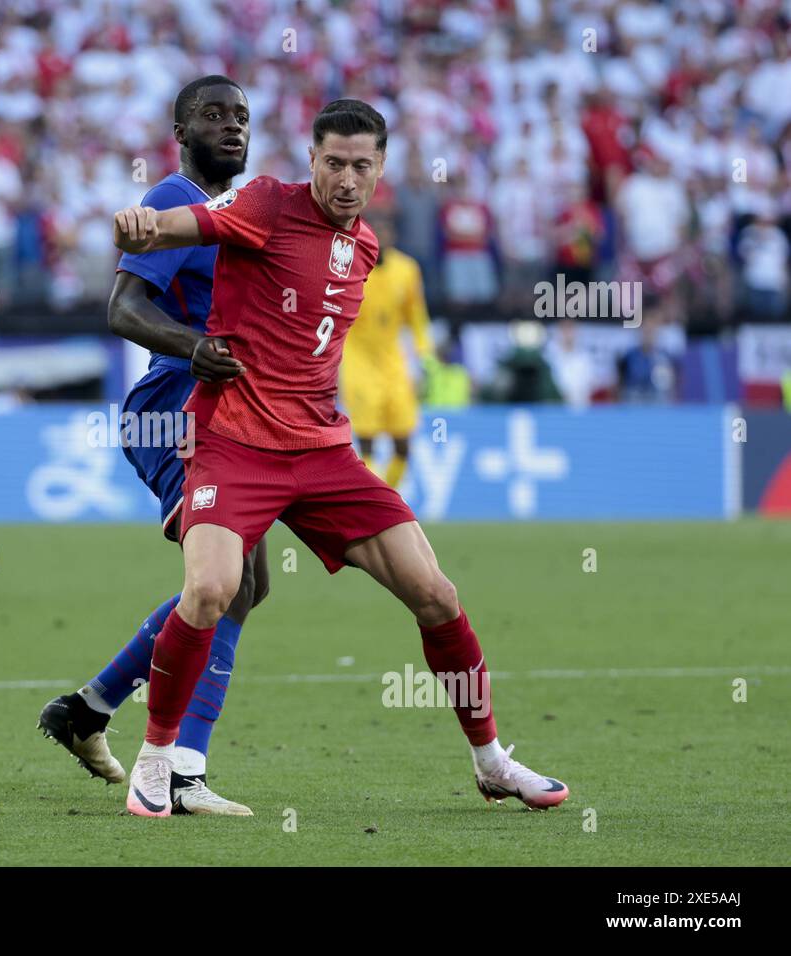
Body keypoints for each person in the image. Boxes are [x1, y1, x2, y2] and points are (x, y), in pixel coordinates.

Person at [111, 99, 569, 818]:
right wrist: (144, 224)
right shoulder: (263, 203)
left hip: (323, 453)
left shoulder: (364, 250)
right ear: (312, 160)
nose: (347, 179)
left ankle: (492, 761)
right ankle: (157, 760)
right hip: (234, 444)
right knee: (211, 591)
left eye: (362, 165)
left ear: (381, 168)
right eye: (333, 163)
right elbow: (185, 224)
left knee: (437, 595)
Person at [38, 76, 265, 816]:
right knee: (228, 585)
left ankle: (90, 708)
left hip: (218, 410)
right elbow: (123, 308)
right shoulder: (172, 202)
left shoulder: (239, 207)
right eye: (212, 114)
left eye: (241, 117)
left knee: (243, 585)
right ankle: (181, 770)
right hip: (172, 406)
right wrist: (196, 348)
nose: (230, 127)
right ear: (180, 129)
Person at [340, 210, 432, 490]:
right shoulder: (348, 267)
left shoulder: (407, 270)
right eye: (374, 228)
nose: (381, 235)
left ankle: (388, 495)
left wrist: (423, 353)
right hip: (358, 362)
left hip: (393, 363)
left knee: (404, 442)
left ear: (394, 234)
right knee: (366, 439)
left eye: (386, 229)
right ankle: (375, 501)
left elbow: (416, 316)